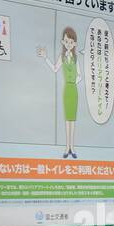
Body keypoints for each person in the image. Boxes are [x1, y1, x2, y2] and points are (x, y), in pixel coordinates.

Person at [37, 27, 81, 159]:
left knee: (73, 120)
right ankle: (67, 147)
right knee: (67, 119)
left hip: (74, 90)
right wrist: (46, 58)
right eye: (67, 41)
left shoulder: (76, 58)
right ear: (63, 42)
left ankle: (72, 147)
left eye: (71, 41)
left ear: (75, 44)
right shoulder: (62, 57)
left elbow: (80, 76)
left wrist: (74, 82)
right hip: (67, 90)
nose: (69, 44)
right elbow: (55, 69)